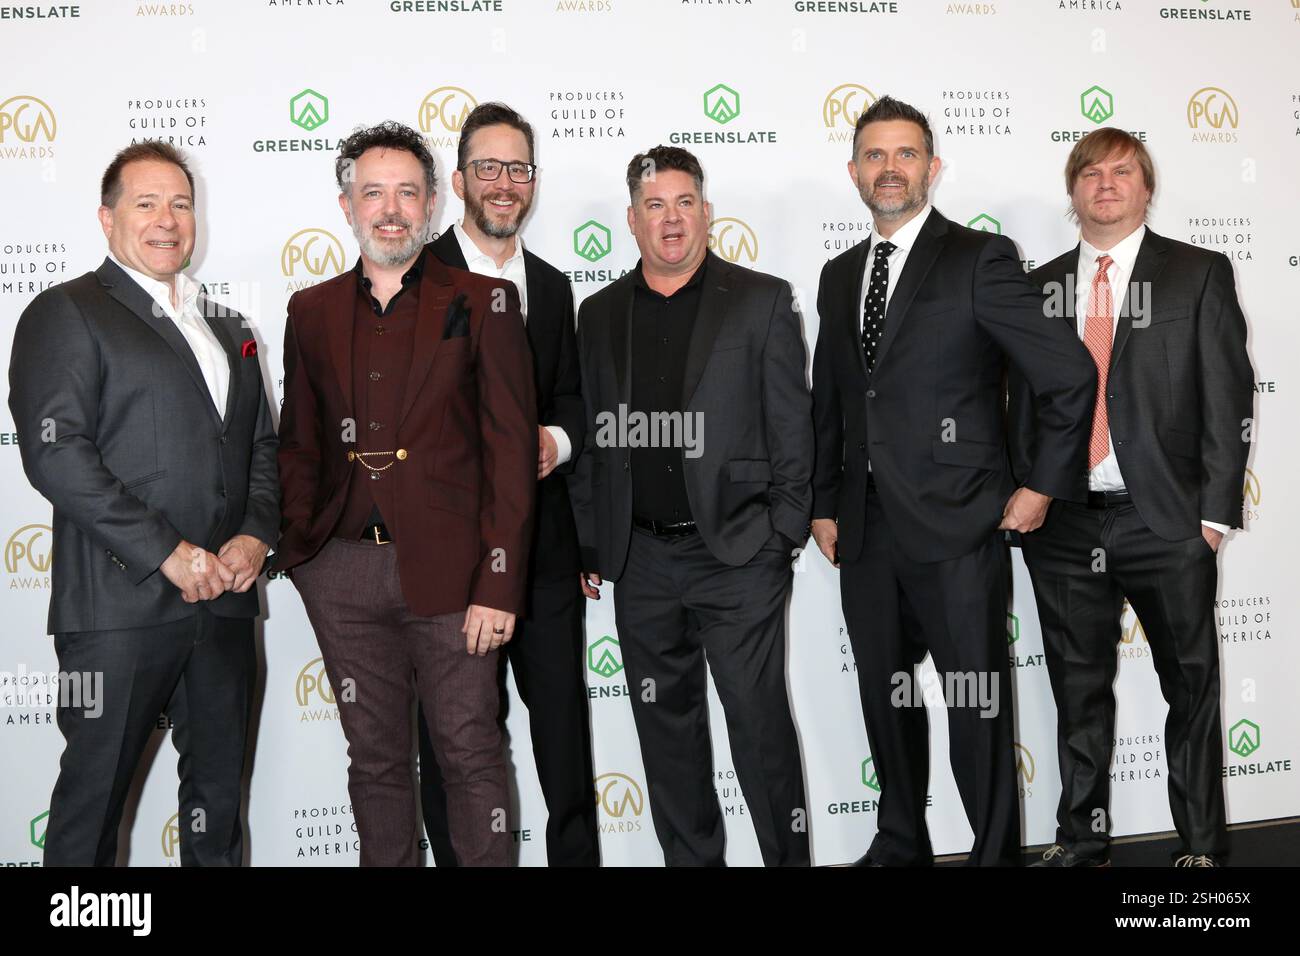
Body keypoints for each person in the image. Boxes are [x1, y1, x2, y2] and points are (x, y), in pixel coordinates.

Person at [810, 96, 1096, 866]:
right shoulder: (839, 277)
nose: (890, 168)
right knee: (886, 702)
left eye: (905, 154)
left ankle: (994, 853)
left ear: (932, 168)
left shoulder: (978, 259)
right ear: (853, 172)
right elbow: (832, 400)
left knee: (975, 710)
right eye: (875, 155)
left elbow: (1068, 375)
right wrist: (822, 506)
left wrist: (1040, 486)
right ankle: (900, 840)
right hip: (865, 535)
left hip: (958, 531)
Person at [9, 141, 279, 866]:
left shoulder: (232, 326)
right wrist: (166, 551)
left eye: (181, 203)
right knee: (93, 807)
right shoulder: (66, 311)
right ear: (106, 218)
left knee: (218, 804)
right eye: (147, 203)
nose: (168, 220)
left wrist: (255, 535)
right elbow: (56, 452)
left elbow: (261, 451)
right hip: (118, 610)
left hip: (223, 606)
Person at [275, 121, 537, 867]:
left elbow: (511, 454)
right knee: (376, 760)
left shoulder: (486, 301)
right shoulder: (311, 311)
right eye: (373, 193)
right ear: (346, 204)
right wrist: (305, 556)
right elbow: (298, 441)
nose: (390, 209)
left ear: (431, 205)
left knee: (469, 752)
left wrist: (498, 580)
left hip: (457, 577)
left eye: (406, 193)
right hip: (343, 573)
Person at [1009, 128, 1254, 868]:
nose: (1105, 183)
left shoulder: (1197, 274)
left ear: (1147, 189)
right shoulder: (1036, 285)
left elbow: (1228, 393)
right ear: (1072, 190)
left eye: (1122, 171)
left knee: (1191, 686)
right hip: (1065, 523)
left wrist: (1211, 519)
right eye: (1090, 172)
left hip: (1168, 522)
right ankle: (1080, 838)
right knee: (1077, 692)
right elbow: (1013, 402)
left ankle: (1202, 847)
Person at [569, 145, 813, 867]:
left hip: (739, 555)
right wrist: (593, 543)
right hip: (641, 561)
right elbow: (590, 440)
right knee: (666, 738)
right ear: (632, 220)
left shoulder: (762, 299)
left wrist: (782, 532)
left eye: (683, 203)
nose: (670, 219)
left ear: (707, 213)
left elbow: (793, 427)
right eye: (654, 205)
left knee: (760, 730)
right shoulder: (599, 314)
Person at [418, 102, 598, 867]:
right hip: (447, 568)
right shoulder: (413, 279)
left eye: (517, 168)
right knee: (455, 747)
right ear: (459, 179)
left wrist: (552, 444)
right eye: (487, 167)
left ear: (532, 183)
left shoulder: (554, 289)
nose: (503, 182)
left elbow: (575, 402)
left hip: (547, 561)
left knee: (565, 743)